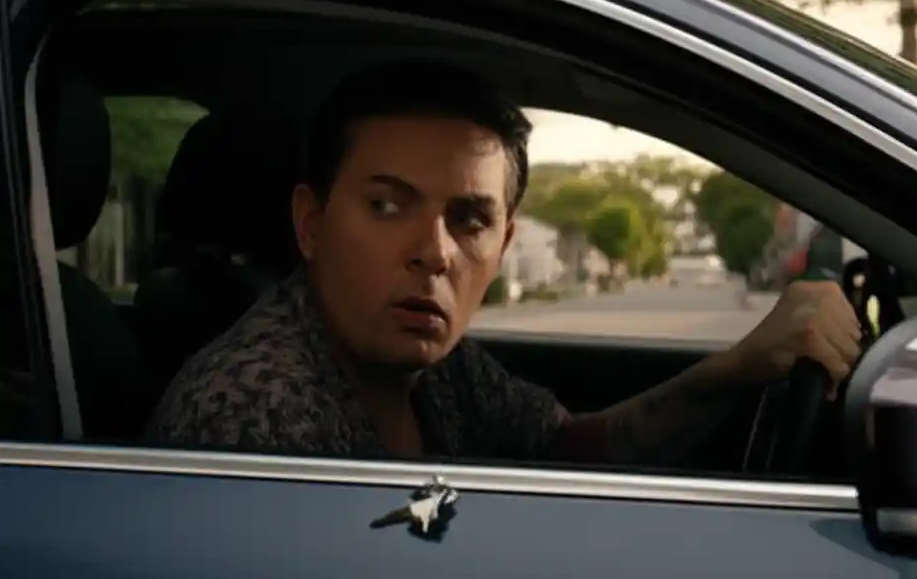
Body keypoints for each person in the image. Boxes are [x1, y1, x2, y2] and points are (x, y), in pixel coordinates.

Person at [146, 61, 863, 465]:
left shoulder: (434, 365)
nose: (433, 252)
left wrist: (742, 365)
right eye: (389, 207)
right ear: (311, 223)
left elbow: (567, 447)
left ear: (504, 246)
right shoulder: (251, 416)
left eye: (469, 220)